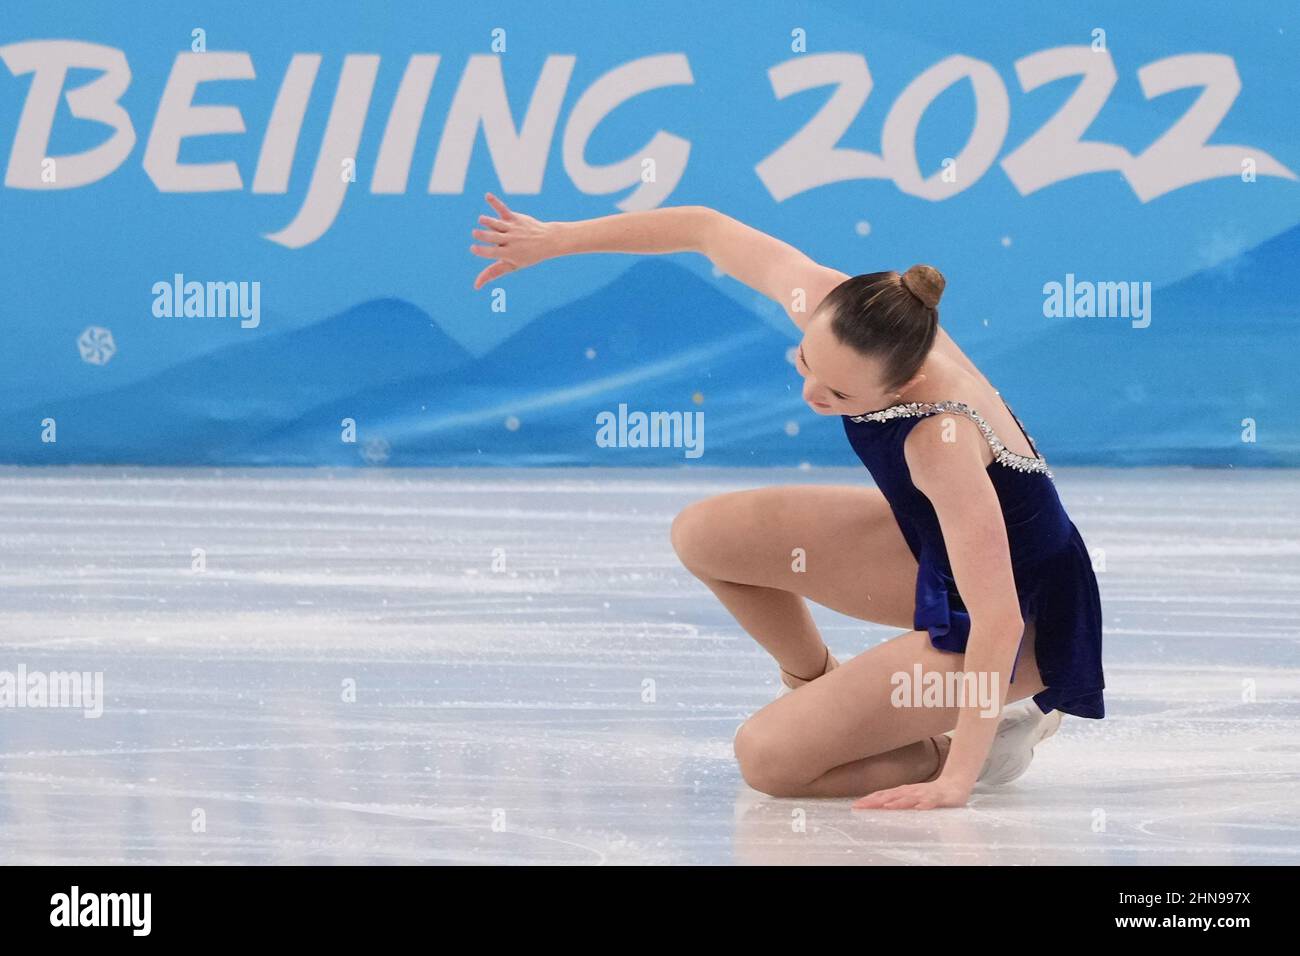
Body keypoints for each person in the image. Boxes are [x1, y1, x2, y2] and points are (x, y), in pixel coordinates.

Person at [469, 194, 1105, 811]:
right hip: (935, 555)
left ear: (905, 384)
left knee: (768, 760)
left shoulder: (941, 438)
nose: (809, 394)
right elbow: (705, 227)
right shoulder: (855, 314)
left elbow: (998, 620)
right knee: (705, 535)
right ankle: (820, 685)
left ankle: (985, 742)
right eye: (805, 362)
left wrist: (958, 780)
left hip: (1021, 618)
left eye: (836, 394)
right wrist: (554, 240)